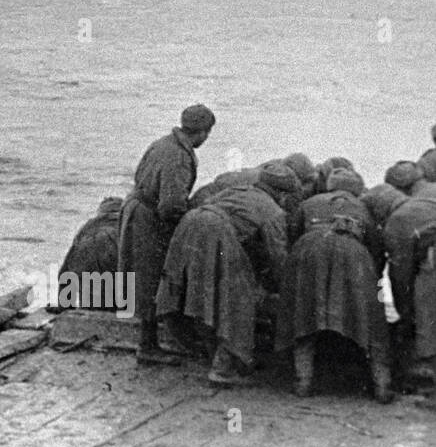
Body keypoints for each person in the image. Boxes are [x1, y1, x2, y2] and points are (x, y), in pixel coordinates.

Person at [156, 164, 295, 385]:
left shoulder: (237, 190)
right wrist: (283, 288)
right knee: (241, 299)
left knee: (189, 291)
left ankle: (210, 353)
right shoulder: (273, 211)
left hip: (189, 224)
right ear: (283, 194)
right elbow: (278, 256)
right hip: (216, 231)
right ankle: (222, 369)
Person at [276, 168, 392, 402]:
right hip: (352, 251)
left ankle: (303, 381)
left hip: (308, 248)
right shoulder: (363, 208)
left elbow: (291, 235)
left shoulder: (309, 203)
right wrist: (371, 279)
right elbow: (376, 248)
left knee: (304, 313)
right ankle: (382, 385)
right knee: (372, 319)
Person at [118, 105, 215, 365]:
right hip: (149, 219)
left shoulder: (162, 143)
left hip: (137, 210)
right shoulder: (179, 157)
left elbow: (140, 176)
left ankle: (150, 342)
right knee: (151, 277)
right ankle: (147, 346)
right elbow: (171, 205)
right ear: (203, 133)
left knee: (142, 276)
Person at [380, 179, 436, 390]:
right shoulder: (426, 197)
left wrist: (406, 313)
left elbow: (400, 276)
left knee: (428, 318)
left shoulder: (397, 220)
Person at [54, 196, 123, 309]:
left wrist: (64, 307)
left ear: (100, 212)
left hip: (88, 281)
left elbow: (65, 273)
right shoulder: (127, 226)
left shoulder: (87, 228)